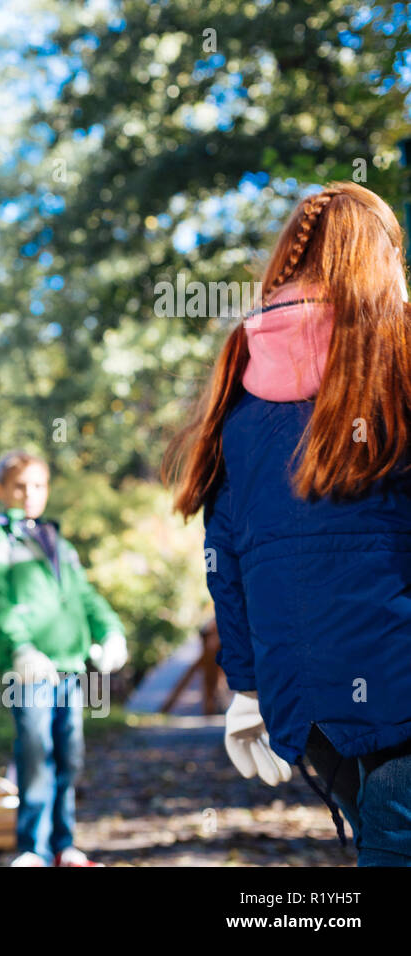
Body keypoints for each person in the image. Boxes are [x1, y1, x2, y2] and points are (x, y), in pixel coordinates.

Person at [163, 181, 411, 866]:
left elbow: (227, 555)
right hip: (397, 682)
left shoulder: (242, 390)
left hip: (303, 696)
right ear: (379, 259)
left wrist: (246, 685)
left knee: (384, 842)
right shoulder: (398, 368)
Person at [0, 450, 127, 867]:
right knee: (36, 752)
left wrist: (110, 632)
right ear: (0, 490)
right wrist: (19, 647)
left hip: (72, 666)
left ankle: (63, 845)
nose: (30, 493)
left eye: (38, 485)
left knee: (69, 754)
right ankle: (31, 848)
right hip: (28, 669)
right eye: (19, 485)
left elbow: (86, 597)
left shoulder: (60, 542)